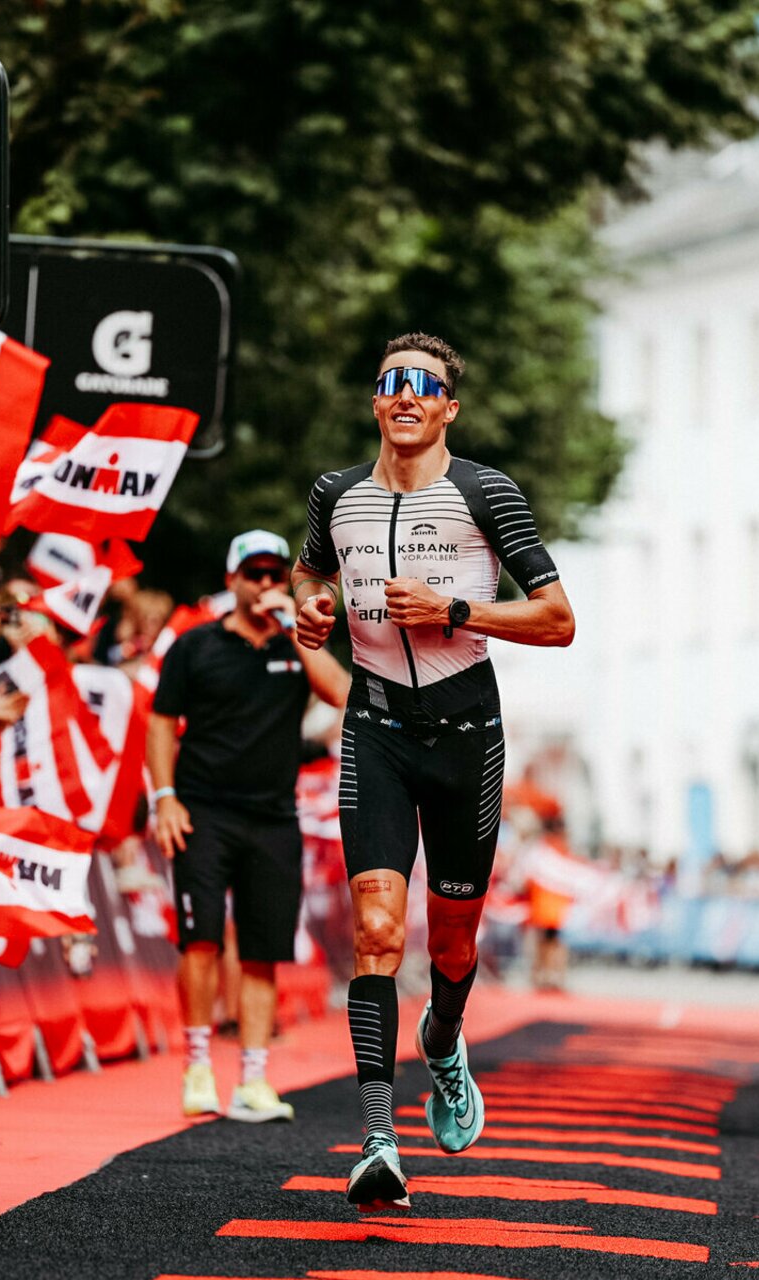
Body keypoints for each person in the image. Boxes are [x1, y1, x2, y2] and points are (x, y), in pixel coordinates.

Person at [293, 332, 576, 1209]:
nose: (406, 395)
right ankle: (378, 1139)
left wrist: (456, 609)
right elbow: (310, 579)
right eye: (392, 383)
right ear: (376, 402)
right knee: (377, 931)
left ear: (449, 406)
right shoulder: (335, 494)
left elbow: (559, 619)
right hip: (374, 731)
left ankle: (445, 1037)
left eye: (424, 384)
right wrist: (312, 611)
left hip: (466, 738)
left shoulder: (486, 492)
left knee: (452, 942)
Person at [149, 530, 350, 1122]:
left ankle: (254, 1079)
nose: (263, 583)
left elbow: (341, 692)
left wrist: (294, 626)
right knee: (202, 939)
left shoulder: (295, 643)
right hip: (202, 811)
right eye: (253, 573)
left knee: (263, 949)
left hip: (273, 817)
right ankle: (197, 1066)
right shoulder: (195, 646)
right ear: (231, 579)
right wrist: (165, 798)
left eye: (272, 574)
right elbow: (161, 723)